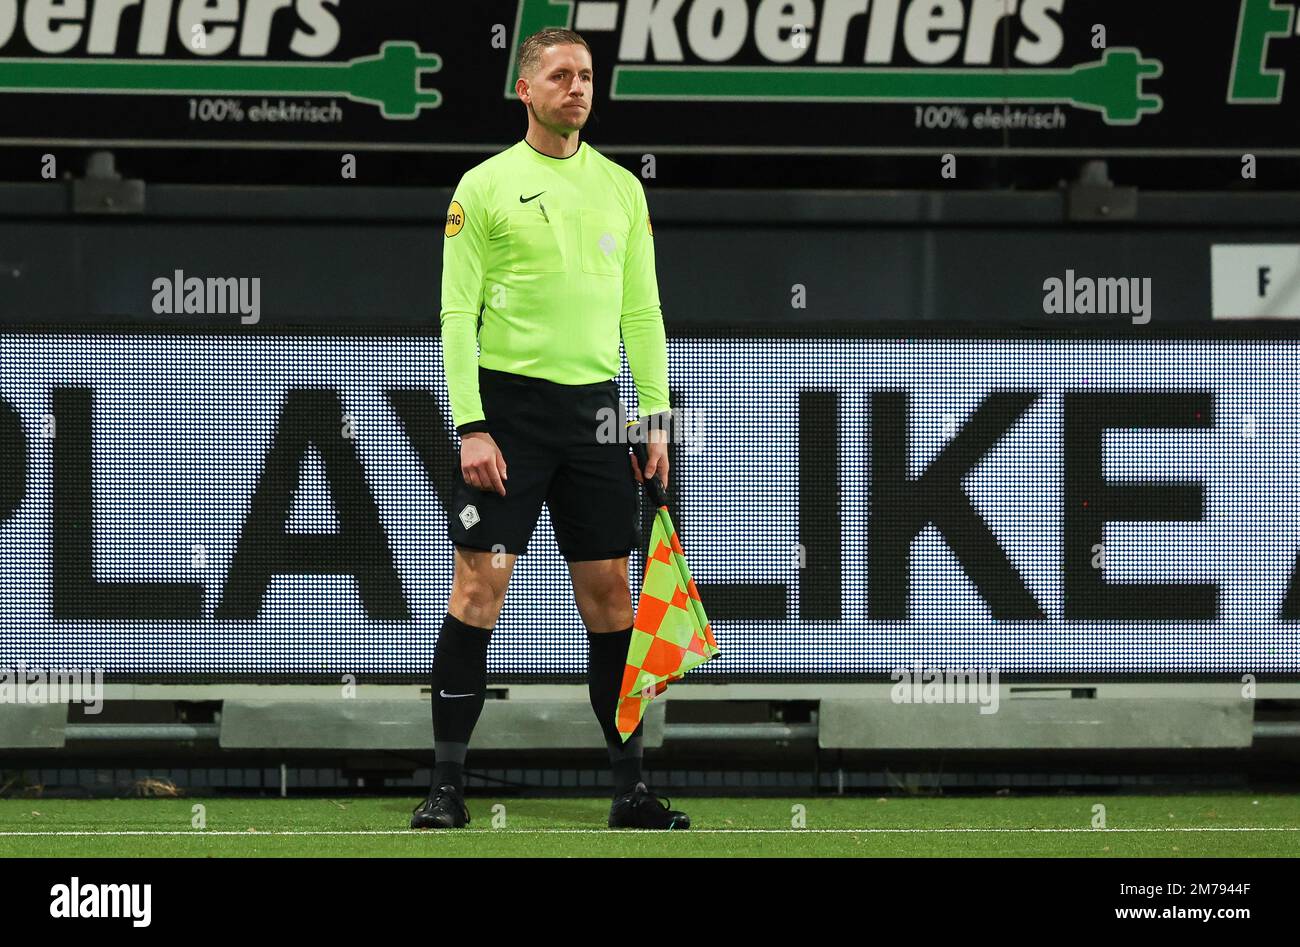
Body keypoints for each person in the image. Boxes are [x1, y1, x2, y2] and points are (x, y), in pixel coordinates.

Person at [410, 27, 687, 830]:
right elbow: (457, 314)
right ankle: (448, 786)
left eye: (587, 76)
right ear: (524, 90)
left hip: (597, 415)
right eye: (561, 76)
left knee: (611, 598)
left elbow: (643, 309)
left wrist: (657, 411)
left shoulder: (621, 189)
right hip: (509, 415)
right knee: (478, 588)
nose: (578, 88)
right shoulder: (484, 186)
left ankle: (630, 789)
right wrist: (471, 425)